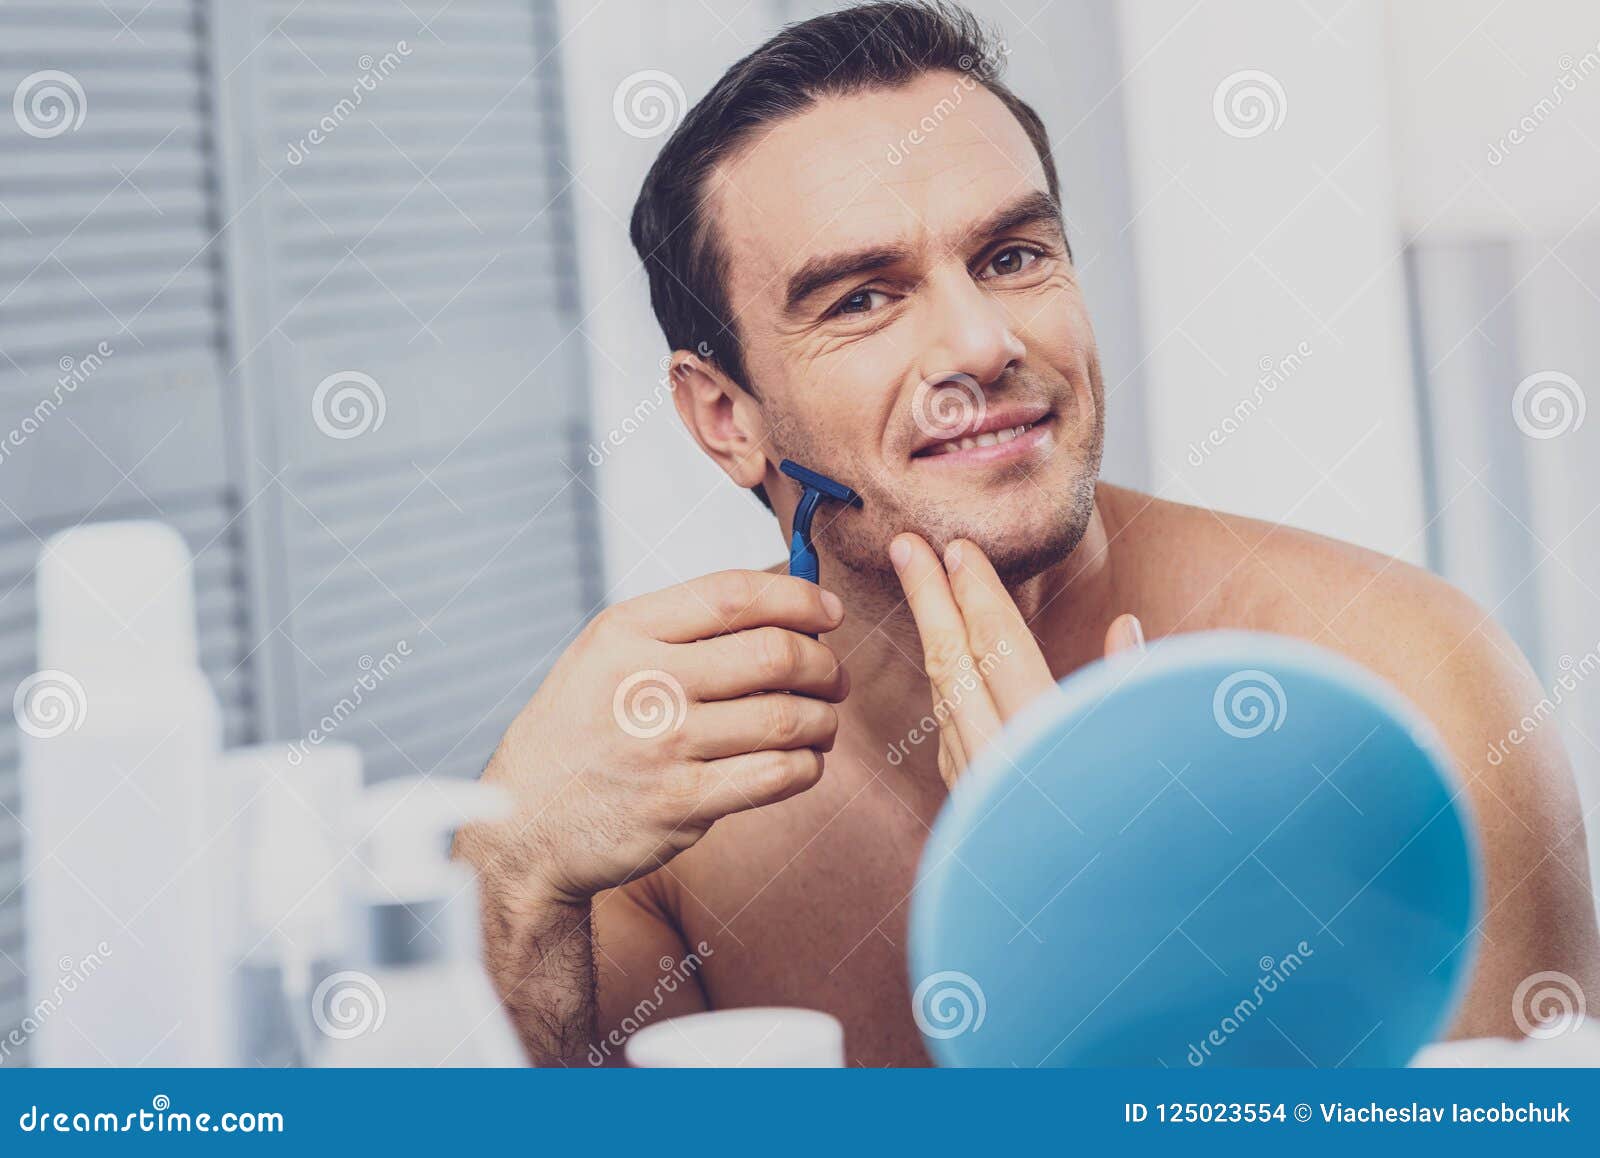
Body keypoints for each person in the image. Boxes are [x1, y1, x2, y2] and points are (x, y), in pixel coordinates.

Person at [456, 1, 1599, 1066]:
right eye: (861, 297)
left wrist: (1131, 971)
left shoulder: (1406, 684)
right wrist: (512, 880)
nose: (980, 342)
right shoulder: (670, 815)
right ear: (726, 416)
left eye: (1011, 257)